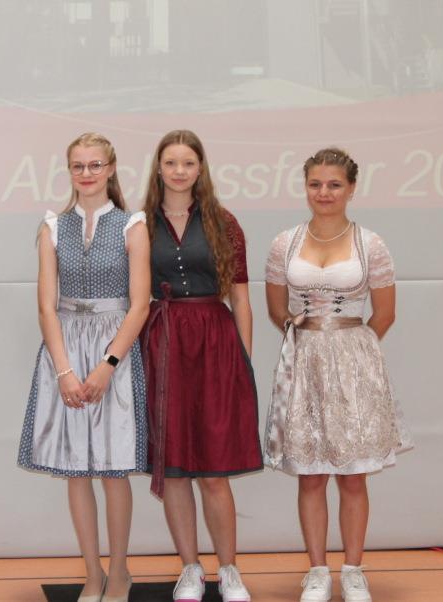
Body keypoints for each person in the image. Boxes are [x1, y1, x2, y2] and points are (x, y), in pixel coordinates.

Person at [264, 148, 412, 602]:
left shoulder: (371, 244)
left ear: (350, 189)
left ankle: (352, 569)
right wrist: (311, 346)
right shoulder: (284, 242)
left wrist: (352, 358)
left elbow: (384, 314)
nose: (323, 193)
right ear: (305, 187)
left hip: (354, 365)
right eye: (315, 184)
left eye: (333, 185)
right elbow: (276, 309)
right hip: (304, 361)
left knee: (353, 475)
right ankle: (316, 571)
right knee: (310, 474)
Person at [18, 132, 150, 602]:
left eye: (95, 165)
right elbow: (46, 306)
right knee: (77, 470)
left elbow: (139, 305)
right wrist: (65, 371)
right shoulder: (53, 227)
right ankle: (91, 573)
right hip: (67, 347)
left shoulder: (133, 224)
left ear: (111, 169)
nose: (87, 173)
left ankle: (119, 572)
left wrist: (108, 364)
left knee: (113, 469)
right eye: (78, 165)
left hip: (115, 348)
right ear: (69, 170)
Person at [140, 130, 260, 602]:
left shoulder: (223, 222)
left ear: (200, 168)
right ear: (159, 169)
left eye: (188, 163)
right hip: (165, 342)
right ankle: (189, 568)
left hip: (215, 342)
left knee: (213, 469)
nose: (179, 171)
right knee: (173, 468)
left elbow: (242, 298)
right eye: (170, 163)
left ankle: (228, 569)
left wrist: (242, 362)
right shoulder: (140, 225)